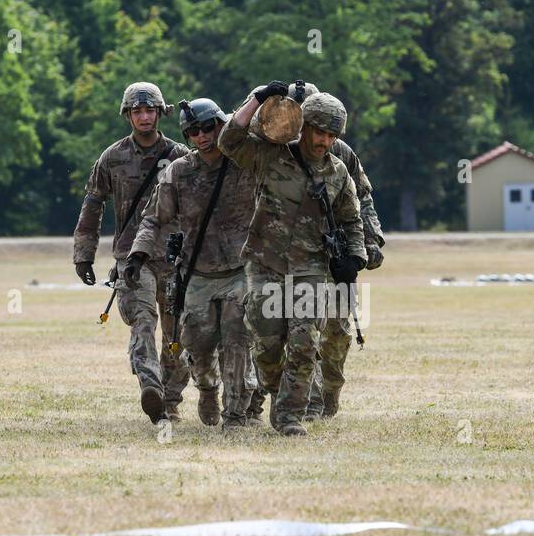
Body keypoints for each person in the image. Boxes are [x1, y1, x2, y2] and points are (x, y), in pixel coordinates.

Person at [218, 82, 366, 436]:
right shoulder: (269, 156)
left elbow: (351, 219)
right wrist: (257, 98)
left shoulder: (337, 173)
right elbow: (228, 142)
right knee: (268, 347)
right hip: (265, 264)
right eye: (319, 132)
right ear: (304, 125)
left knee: (304, 344)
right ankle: (273, 387)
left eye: (332, 135)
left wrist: (355, 259)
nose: (324, 142)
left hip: (310, 269)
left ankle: (289, 418)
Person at [128, 98, 256, 431]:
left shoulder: (244, 162)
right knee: (198, 347)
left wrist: (258, 96)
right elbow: (153, 219)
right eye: (192, 131)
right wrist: (138, 254)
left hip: (241, 271)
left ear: (219, 125)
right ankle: (208, 388)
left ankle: (236, 416)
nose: (201, 136)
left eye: (207, 127)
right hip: (198, 274)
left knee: (238, 340)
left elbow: (257, 132)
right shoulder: (179, 172)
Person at [72, 82, 191, 423]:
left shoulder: (180, 156)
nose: (143, 116)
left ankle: (170, 399)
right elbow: (92, 206)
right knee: (142, 320)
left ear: (160, 112)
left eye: (149, 110)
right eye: (137, 111)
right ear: (127, 115)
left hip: (172, 256)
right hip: (131, 258)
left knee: (177, 331)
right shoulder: (112, 158)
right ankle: (150, 386)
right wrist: (84, 254)